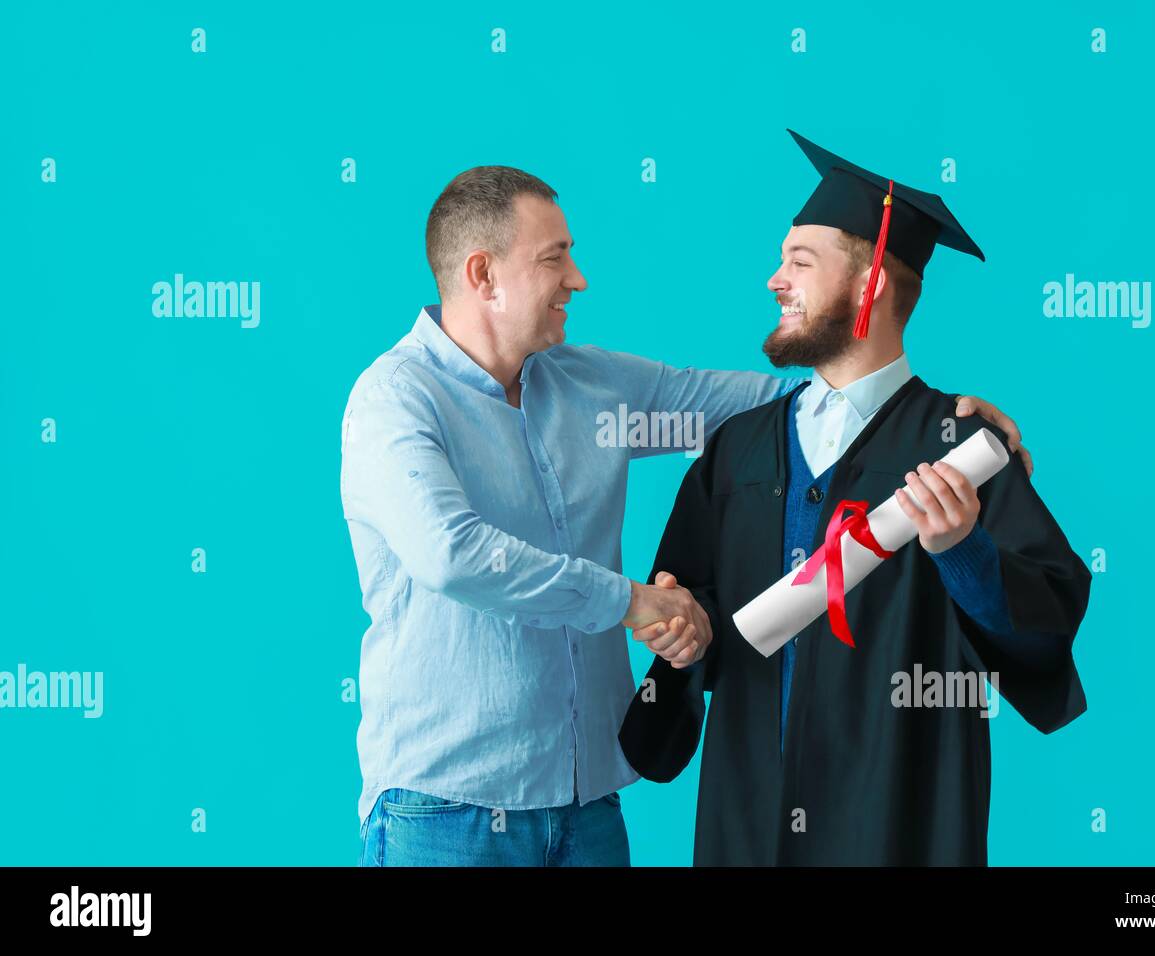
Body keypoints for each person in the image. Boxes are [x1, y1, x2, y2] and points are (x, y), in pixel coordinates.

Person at [341, 163, 1031, 866]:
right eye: (556, 258)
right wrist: (629, 602)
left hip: (585, 809)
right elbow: (451, 554)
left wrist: (936, 419)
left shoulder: (592, 387)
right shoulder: (395, 401)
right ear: (483, 274)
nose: (577, 279)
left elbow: (778, 408)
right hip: (445, 814)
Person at [619, 130, 1089, 866]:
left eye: (799, 263)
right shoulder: (735, 450)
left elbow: (1046, 627)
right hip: (750, 821)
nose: (775, 280)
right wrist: (686, 636)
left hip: (897, 821)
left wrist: (963, 552)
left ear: (868, 284)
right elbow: (692, 616)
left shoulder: (960, 452)